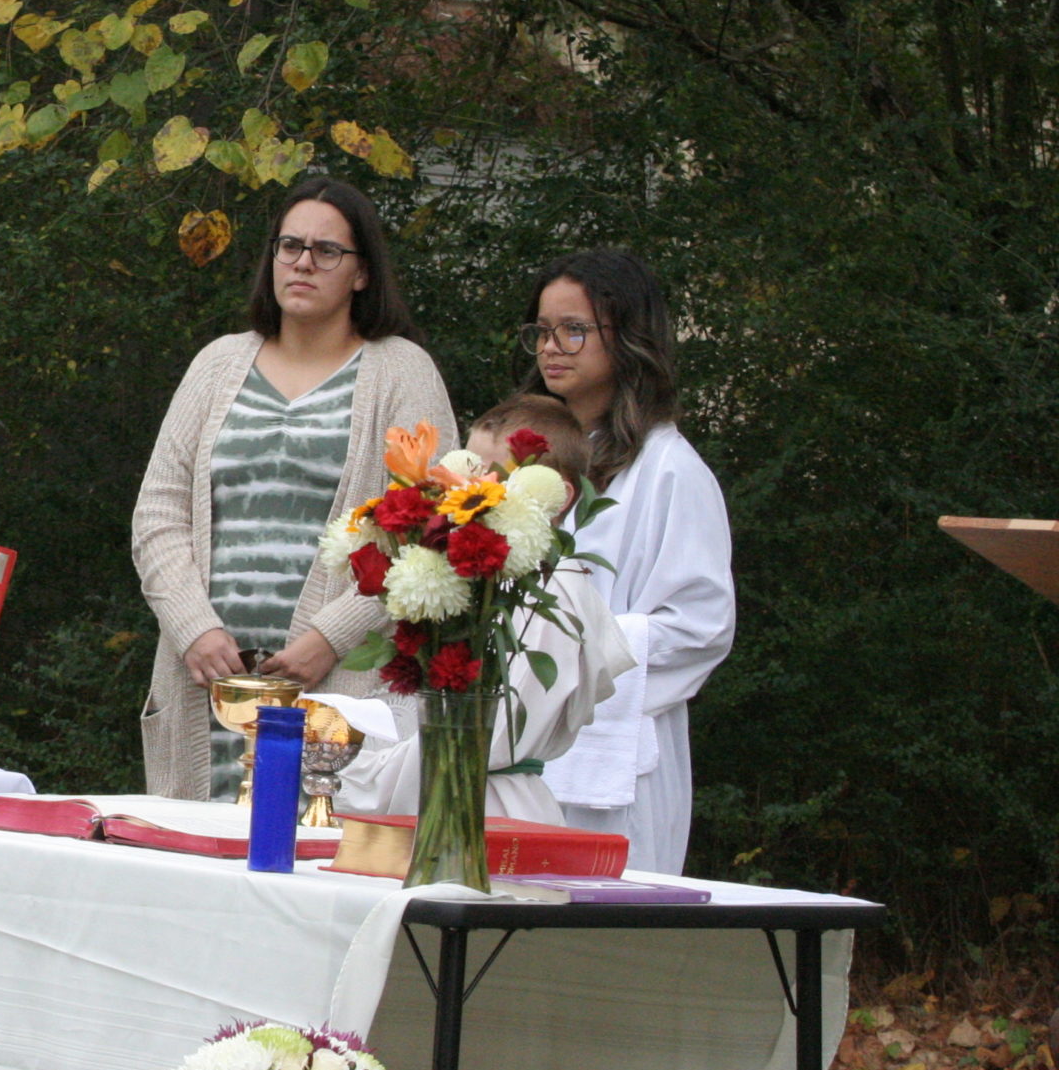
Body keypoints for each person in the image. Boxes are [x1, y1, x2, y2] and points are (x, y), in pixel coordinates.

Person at [132, 177, 455, 799]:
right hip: (207, 682)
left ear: (362, 273)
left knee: (316, 847)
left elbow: (428, 533)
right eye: (290, 245)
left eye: (327, 250)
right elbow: (158, 514)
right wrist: (194, 627)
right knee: (200, 844)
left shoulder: (401, 372)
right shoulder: (217, 364)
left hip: (340, 686)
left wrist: (330, 637)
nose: (303, 262)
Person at [526, 248, 734, 875]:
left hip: (616, 771)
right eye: (542, 330)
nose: (551, 347)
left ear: (629, 340)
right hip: (519, 754)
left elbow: (700, 627)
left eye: (574, 330)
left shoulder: (671, 471)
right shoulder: (530, 461)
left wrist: (569, 652)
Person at [346, 395, 632, 825]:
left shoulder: (555, 592)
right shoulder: (481, 582)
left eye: (492, 477)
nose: (468, 492)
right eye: (467, 472)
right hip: (435, 790)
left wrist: (356, 778)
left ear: (554, 496)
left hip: (495, 809)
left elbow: (498, 735)